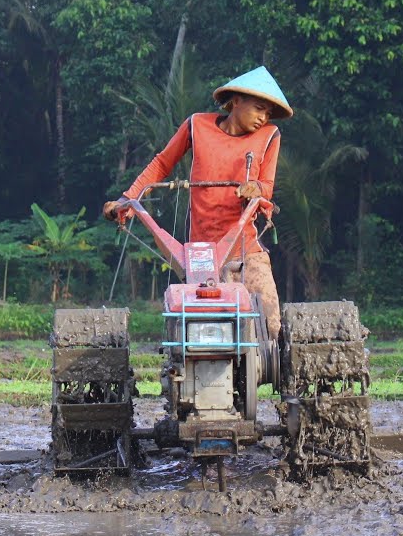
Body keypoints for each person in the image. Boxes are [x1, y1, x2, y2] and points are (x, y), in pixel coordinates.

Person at [103, 66, 291, 340]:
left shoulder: (269, 136)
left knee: (271, 327)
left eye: (268, 113)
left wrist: (255, 189)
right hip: (201, 255)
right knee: (197, 330)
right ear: (236, 101)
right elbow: (162, 163)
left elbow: (267, 187)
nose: (263, 117)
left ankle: (273, 362)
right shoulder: (197, 125)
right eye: (259, 109)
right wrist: (127, 199)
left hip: (246, 248)